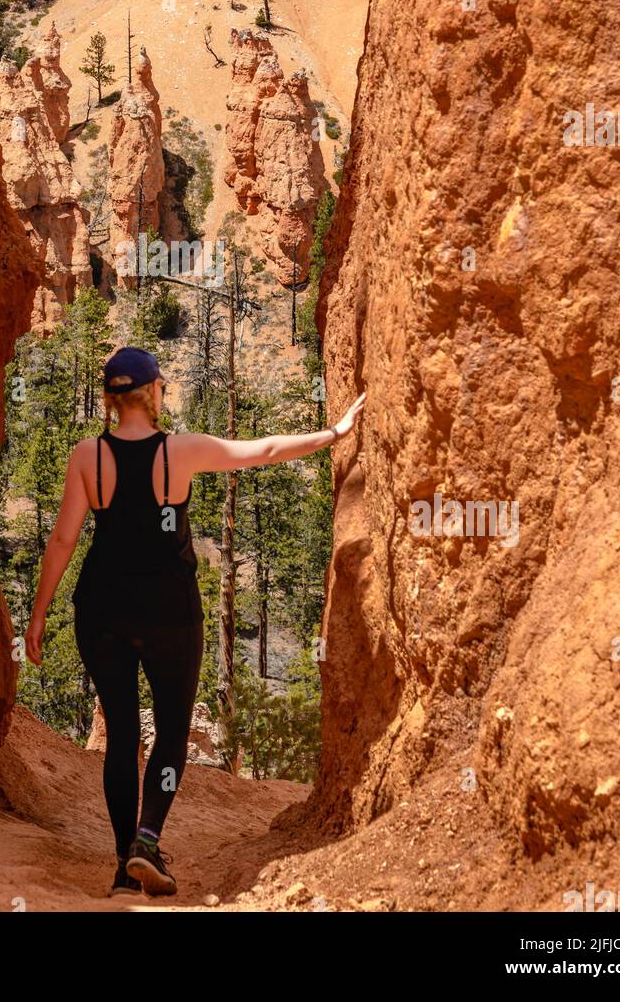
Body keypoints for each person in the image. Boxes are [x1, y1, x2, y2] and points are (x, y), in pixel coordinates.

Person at [25, 346, 365, 899]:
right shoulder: (176, 452)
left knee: (122, 736)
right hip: (169, 610)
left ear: (111, 400)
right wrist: (334, 433)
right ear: (155, 392)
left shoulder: (88, 456)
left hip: (103, 608)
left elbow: (63, 538)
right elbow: (264, 450)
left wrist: (38, 613)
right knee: (172, 732)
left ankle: (122, 867)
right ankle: (147, 840)